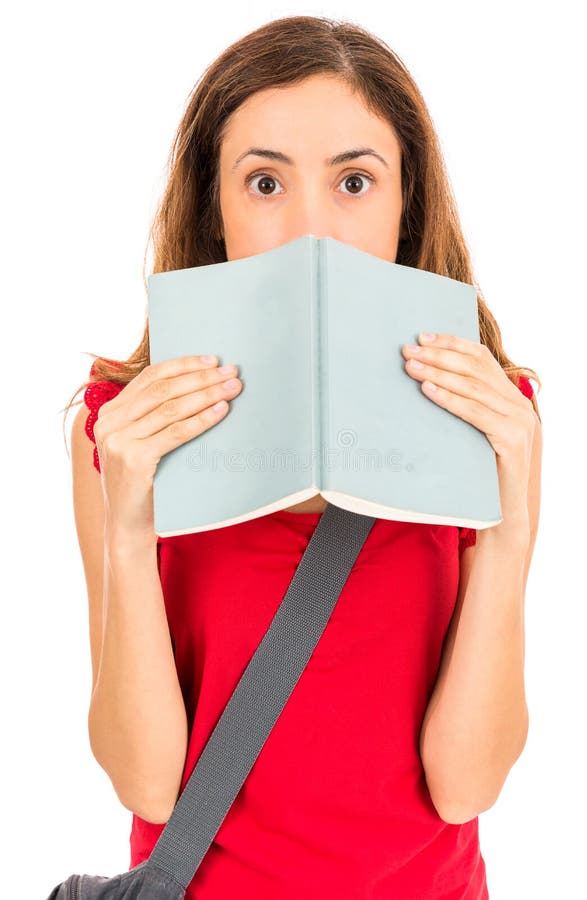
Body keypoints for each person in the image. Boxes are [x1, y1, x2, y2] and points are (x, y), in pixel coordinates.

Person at [65, 15, 542, 899]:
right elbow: (145, 785)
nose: (311, 230)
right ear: (213, 206)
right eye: (265, 183)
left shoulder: (494, 416)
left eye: (355, 181)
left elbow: (466, 786)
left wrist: (509, 532)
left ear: (408, 204)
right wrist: (128, 533)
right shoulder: (119, 428)